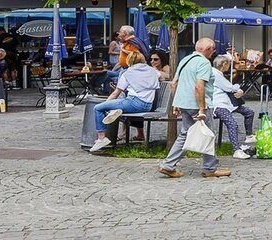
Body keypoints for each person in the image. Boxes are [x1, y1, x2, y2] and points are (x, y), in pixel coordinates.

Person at [159, 37, 227, 179]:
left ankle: (168, 165)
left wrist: (176, 103)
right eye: (213, 49)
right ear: (208, 49)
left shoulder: (185, 60)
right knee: (208, 134)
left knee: (185, 134)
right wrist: (202, 109)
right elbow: (199, 86)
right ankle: (209, 168)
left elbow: (174, 83)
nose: (213, 52)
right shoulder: (204, 63)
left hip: (184, 103)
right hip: (197, 104)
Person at [89, 47, 159, 153]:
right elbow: (162, 76)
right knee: (119, 102)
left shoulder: (127, 73)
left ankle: (102, 138)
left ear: (129, 61)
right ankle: (115, 110)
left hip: (134, 103)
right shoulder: (152, 71)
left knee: (98, 108)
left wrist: (106, 103)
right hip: (148, 105)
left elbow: (115, 93)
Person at [210, 56, 257, 159]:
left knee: (249, 112)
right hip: (219, 105)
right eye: (228, 64)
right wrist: (237, 87)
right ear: (224, 65)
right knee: (232, 124)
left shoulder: (218, 74)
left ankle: (249, 136)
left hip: (227, 103)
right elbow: (229, 87)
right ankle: (236, 150)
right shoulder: (215, 75)